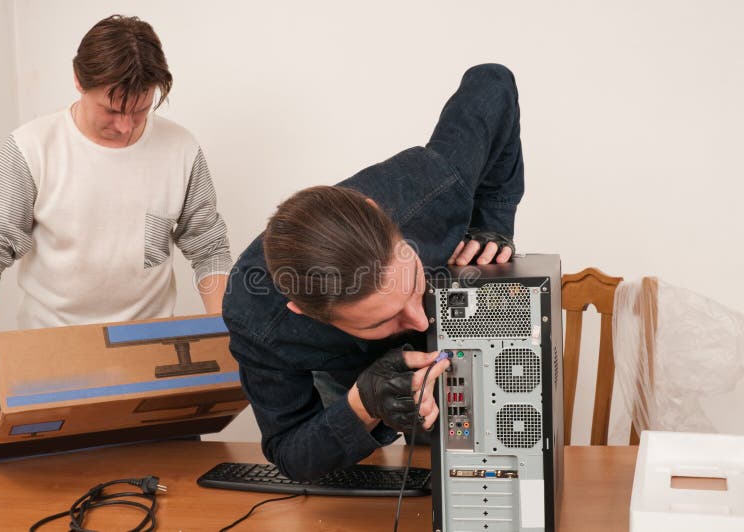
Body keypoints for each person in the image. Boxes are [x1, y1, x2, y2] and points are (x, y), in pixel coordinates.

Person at [223, 64, 524, 480]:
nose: (419, 319)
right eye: (383, 320)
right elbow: (290, 452)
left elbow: (492, 81)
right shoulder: (257, 320)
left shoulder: (432, 186)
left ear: (379, 213)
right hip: (348, 375)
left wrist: (491, 221)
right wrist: (363, 405)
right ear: (305, 312)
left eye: (414, 283)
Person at [0, 15, 232, 411]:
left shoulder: (181, 149)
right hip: (52, 360)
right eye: (111, 110)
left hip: (151, 360)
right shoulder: (31, 148)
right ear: (78, 80)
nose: (125, 126)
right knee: (55, 473)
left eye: (139, 110)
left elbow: (209, 248)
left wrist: (223, 333)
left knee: (171, 472)